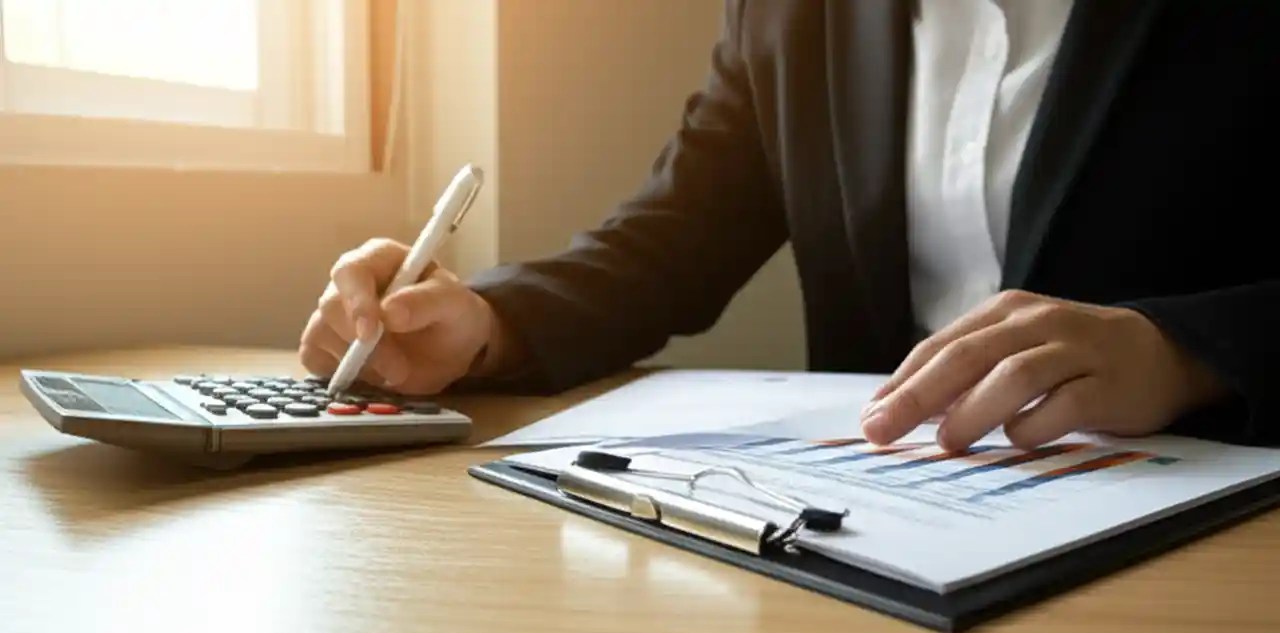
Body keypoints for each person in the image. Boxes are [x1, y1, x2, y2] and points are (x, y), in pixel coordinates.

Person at [298, 0, 1279, 450]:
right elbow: (673, 236)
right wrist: (483, 322)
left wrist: (1186, 352)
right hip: (887, 521)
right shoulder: (787, 12)